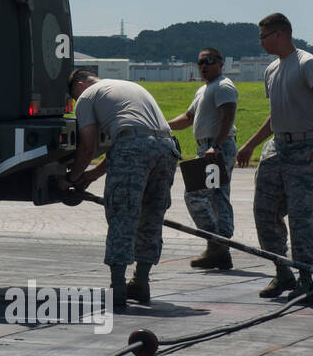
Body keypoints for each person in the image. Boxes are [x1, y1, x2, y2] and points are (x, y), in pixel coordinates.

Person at [236, 13, 313, 298]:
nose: (261, 43)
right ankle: (283, 274)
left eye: (263, 37)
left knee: (302, 216)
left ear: (279, 34)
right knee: (265, 213)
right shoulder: (271, 70)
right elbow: (276, 116)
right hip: (277, 147)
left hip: (305, 147)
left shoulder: (307, 63)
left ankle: (305, 277)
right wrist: (251, 145)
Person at [64, 70, 181, 309]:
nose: (77, 102)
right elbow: (124, 143)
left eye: (74, 96)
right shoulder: (128, 87)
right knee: (151, 217)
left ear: (80, 85)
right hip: (166, 148)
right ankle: (141, 282)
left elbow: (88, 146)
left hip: (133, 148)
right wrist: (92, 175)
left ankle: (117, 288)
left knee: (122, 216)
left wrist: (71, 178)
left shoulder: (87, 96)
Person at [167, 47, 239, 270]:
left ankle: (216, 244)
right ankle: (221, 249)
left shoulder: (223, 86)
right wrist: (163, 126)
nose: (204, 66)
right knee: (217, 197)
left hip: (215, 148)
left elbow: (228, 117)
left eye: (209, 61)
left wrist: (215, 146)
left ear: (220, 63)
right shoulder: (204, 89)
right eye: (200, 62)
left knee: (194, 196)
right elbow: (188, 118)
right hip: (209, 147)